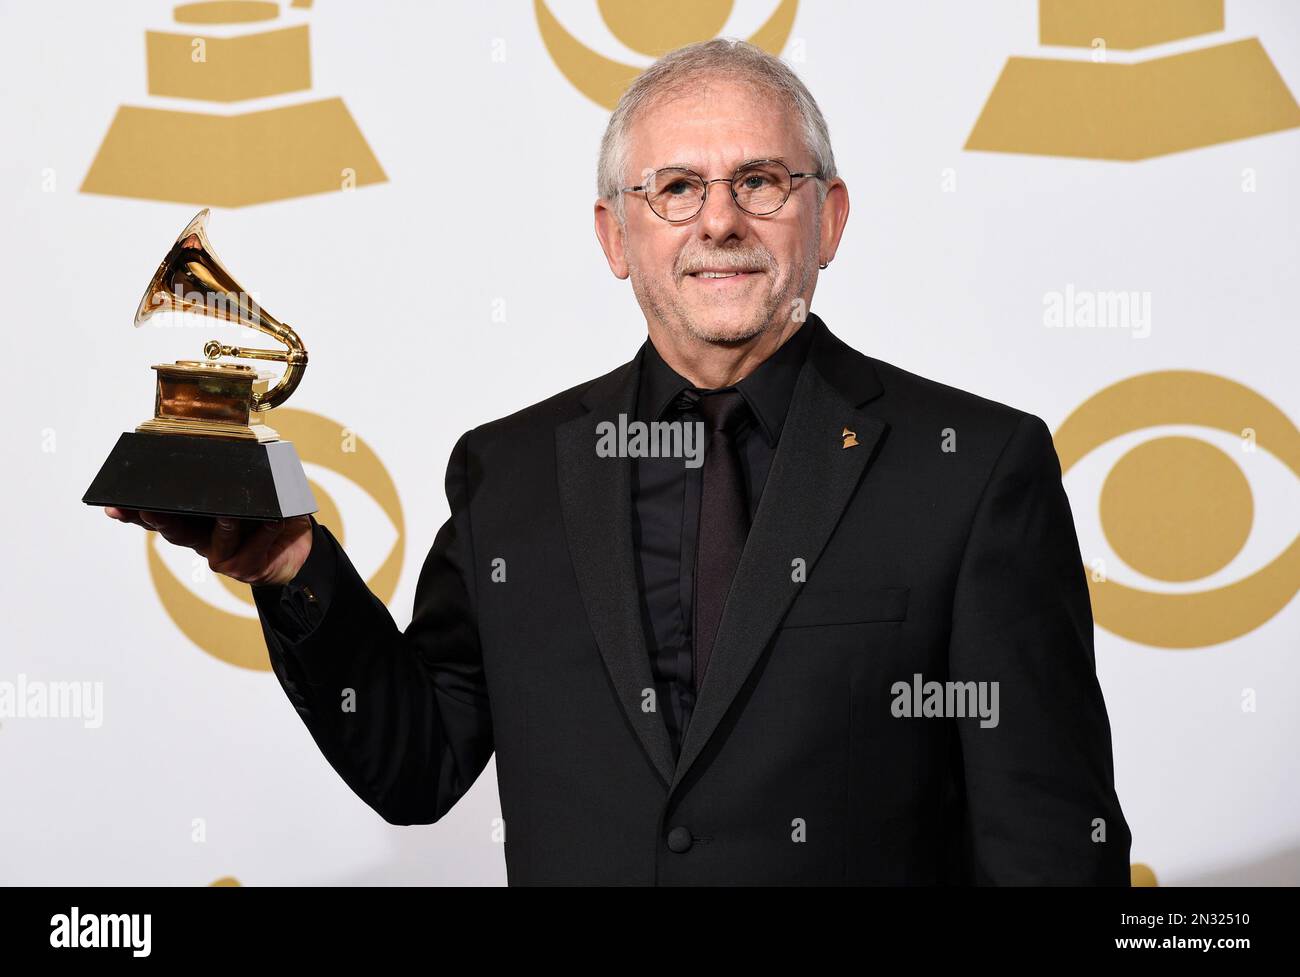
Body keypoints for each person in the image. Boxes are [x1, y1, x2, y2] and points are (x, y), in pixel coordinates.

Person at [106, 39, 1131, 885]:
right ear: (615, 235)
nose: (718, 219)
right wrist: (289, 563)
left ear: (829, 218)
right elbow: (417, 761)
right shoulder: (508, 473)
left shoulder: (974, 466)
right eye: (675, 187)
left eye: (761, 181)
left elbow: (1047, 842)